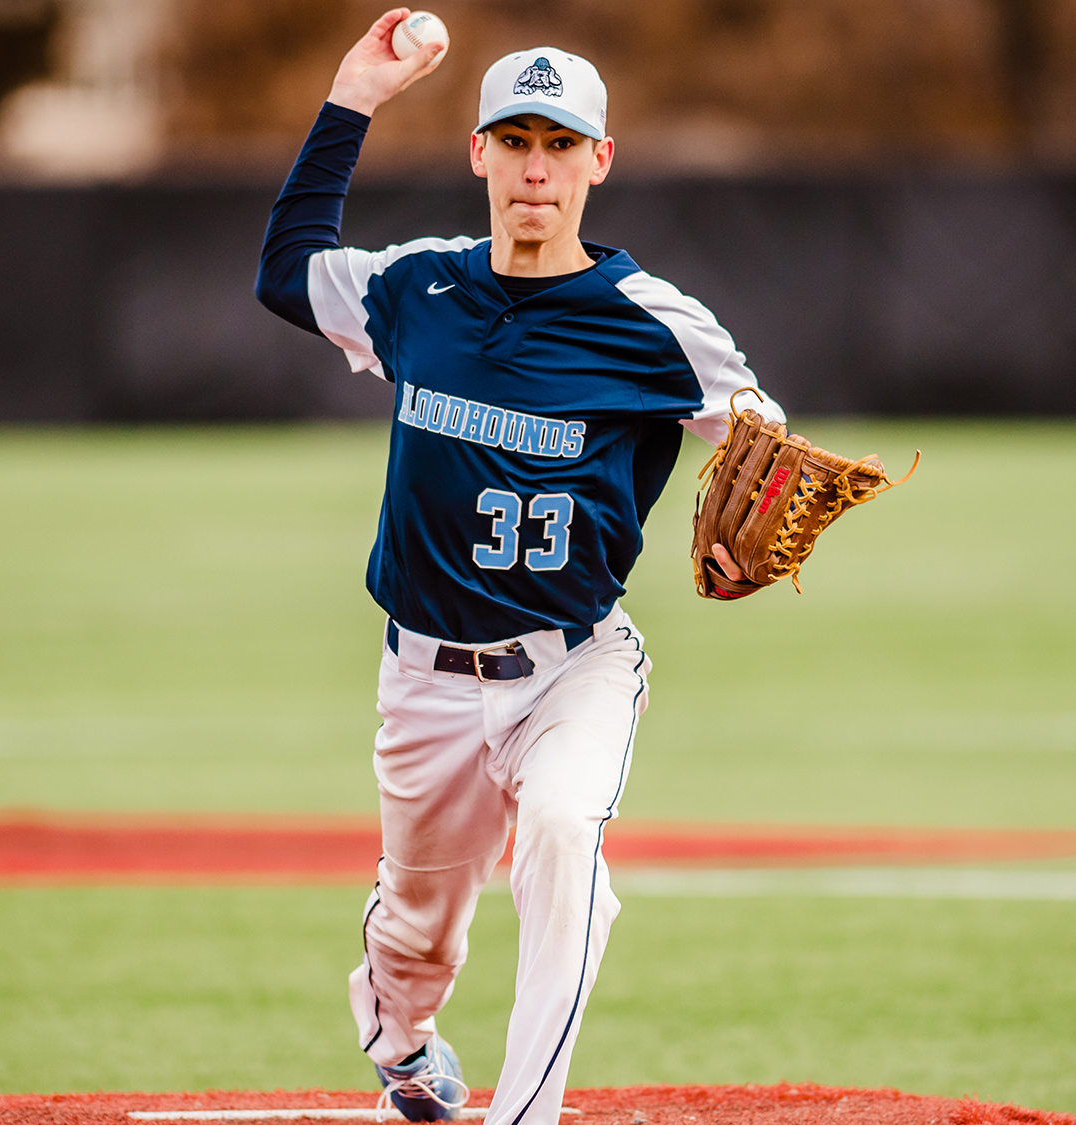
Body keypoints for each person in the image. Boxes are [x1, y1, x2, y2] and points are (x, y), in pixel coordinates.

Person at [253, 11, 785, 1125]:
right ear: (478, 154)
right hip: (425, 682)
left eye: (557, 145)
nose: (533, 169)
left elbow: (763, 445)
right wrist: (353, 95)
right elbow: (286, 274)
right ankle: (400, 1035)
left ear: (598, 160)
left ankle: (522, 1113)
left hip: (572, 667)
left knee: (559, 832)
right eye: (513, 140)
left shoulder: (651, 322)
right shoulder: (416, 290)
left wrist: (753, 534)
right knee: (415, 928)